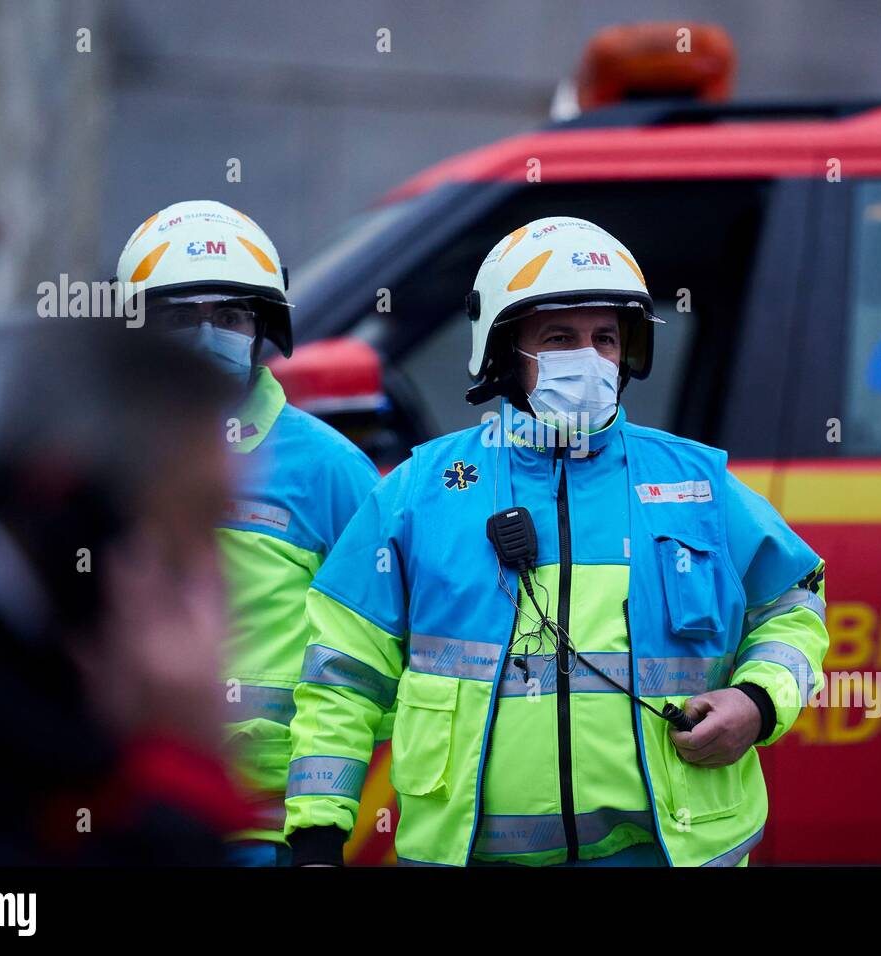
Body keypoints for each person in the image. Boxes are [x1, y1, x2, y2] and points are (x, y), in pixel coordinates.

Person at [284, 216, 829, 867]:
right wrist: (317, 833)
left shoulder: (699, 484)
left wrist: (758, 701)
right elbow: (343, 673)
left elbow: (796, 603)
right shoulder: (420, 491)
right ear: (504, 349)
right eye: (560, 337)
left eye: (605, 337)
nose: (589, 358)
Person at [0, 325, 252, 865]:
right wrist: (178, 769)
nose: (215, 574)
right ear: (75, 506)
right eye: (195, 519)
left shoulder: (42, 645)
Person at [115, 201, 380, 865]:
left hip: (274, 832)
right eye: (182, 317)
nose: (210, 337)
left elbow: (382, 654)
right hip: (128, 817)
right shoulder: (98, 459)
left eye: (230, 317)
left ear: (265, 328)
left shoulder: (330, 470)